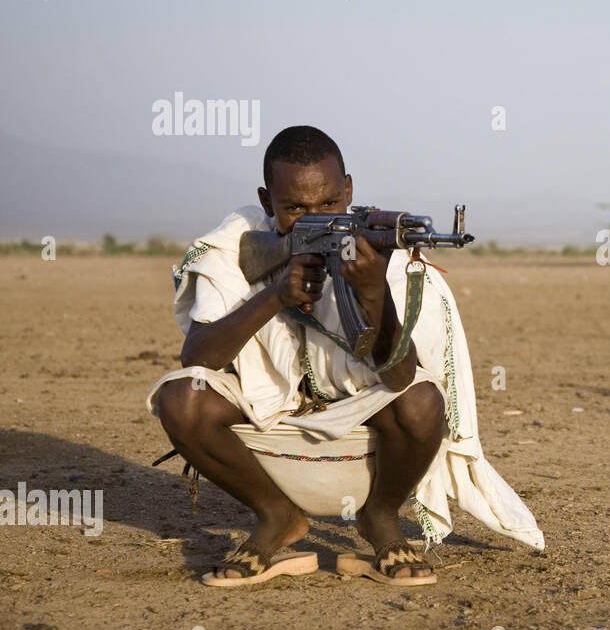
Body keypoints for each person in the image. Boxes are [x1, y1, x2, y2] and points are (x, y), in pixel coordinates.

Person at [145, 126, 543, 586]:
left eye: (329, 204)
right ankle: (277, 518)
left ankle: (380, 520)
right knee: (182, 397)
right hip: (265, 406)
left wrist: (373, 293)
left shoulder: (388, 261)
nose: (314, 216)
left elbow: (400, 376)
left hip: (361, 406)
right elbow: (197, 355)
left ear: (349, 191)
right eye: (295, 208)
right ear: (266, 198)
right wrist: (276, 295)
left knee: (422, 400)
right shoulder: (234, 245)